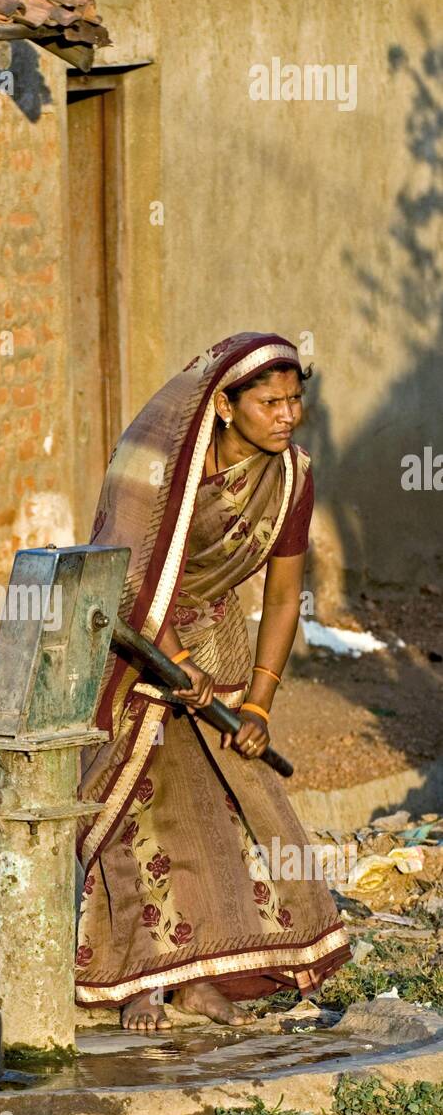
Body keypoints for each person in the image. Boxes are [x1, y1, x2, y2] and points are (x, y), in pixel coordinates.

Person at [75, 332, 351, 1031]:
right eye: (270, 403)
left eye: (295, 402)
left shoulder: (289, 475)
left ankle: (201, 979)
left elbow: (285, 596)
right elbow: (125, 564)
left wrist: (257, 700)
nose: (286, 416)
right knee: (132, 808)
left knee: (221, 808)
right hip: (135, 646)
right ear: (225, 406)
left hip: (218, 644)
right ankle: (137, 980)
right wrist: (170, 656)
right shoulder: (161, 468)